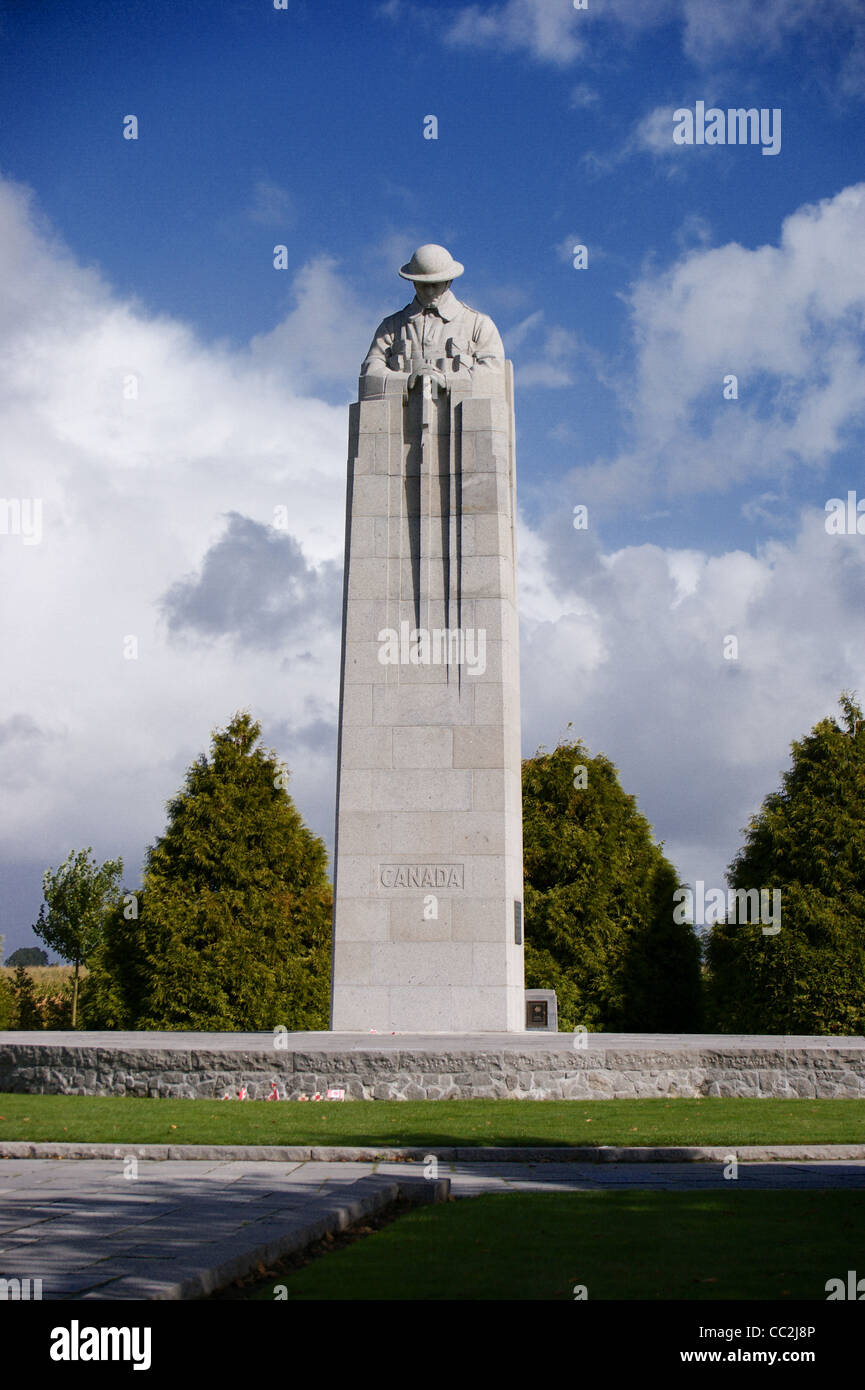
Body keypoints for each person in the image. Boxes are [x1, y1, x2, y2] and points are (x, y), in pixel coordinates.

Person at [360, 244, 505, 395]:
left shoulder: (478, 324)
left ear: (449, 282)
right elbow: (370, 373)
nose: (429, 292)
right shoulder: (390, 327)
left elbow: (493, 373)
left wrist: (448, 381)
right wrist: (406, 380)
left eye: (435, 285)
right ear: (413, 282)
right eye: (423, 285)